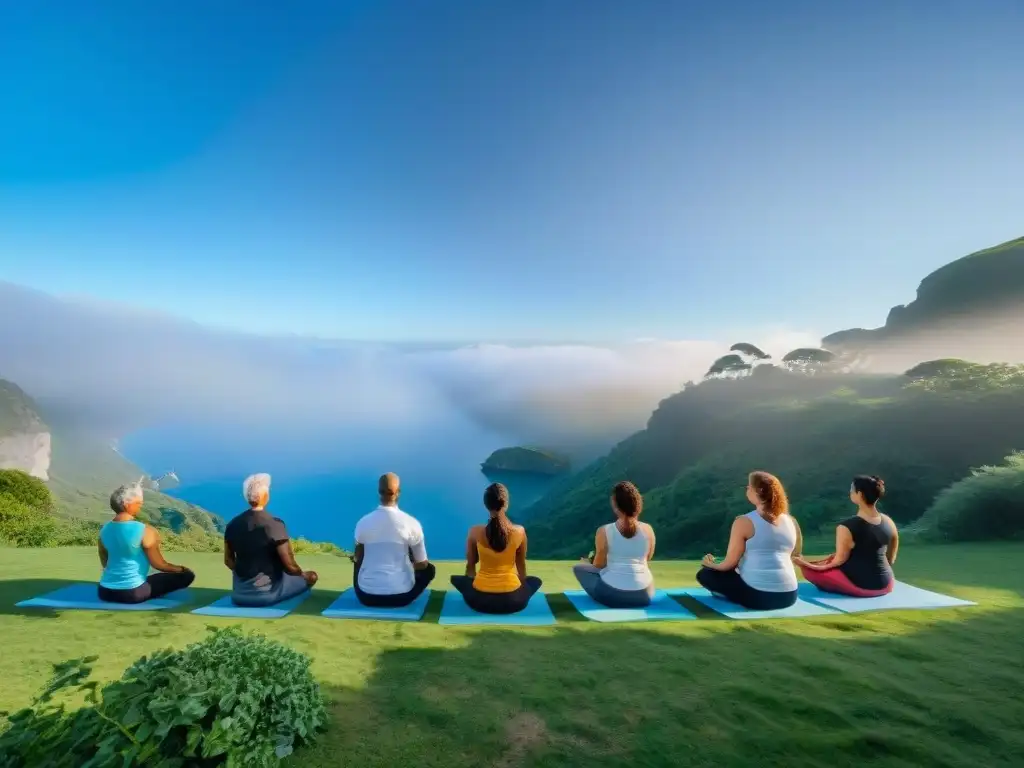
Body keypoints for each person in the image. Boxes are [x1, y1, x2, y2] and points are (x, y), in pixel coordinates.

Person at [696, 471, 802, 611]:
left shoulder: (744, 521)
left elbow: (728, 565)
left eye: (749, 487)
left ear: (759, 491)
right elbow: (791, 556)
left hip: (760, 597)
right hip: (789, 596)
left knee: (705, 574)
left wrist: (709, 564)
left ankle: (726, 594)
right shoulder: (791, 521)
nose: (747, 489)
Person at [224, 473, 318, 607]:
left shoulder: (233, 524)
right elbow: (290, 566)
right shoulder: (274, 524)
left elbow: (228, 561)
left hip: (239, 595)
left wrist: (246, 575)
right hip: (267, 594)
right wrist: (301, 574)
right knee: (312, 576)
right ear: (266, 497)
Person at [795, 476, 899, 597]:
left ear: (859, 494)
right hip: (886, 584)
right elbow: (891, 558)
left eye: (851, 489)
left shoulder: (846, 527)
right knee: (830, 559)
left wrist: (805, 565)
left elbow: (838, 562)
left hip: (862, 586)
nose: (850, 492)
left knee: (810, 572)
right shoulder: (889, 522)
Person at [450, 482, 542, 614]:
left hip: (479, 602)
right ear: (506, 504)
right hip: (514, 602)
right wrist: (522, 589)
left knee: (457, 580)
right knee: (535, 581)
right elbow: (521, 567)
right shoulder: (520, 531)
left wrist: (469, 583)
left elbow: (470, 568)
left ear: (485, 505)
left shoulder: (475, 532)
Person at [97, 480, 195, 604]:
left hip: (105, 592)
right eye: (139, 503)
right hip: (132, 593)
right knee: (187, 576)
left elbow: (105, 561)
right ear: (128, 505)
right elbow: (160, 565)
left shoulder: (104, 530)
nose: (140, 505)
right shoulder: (145, 530)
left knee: (154, 579)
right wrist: (182, 569)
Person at [352, 472, 435, 607]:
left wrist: (356, 558)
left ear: (379, 492)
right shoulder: (411, 523)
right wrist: (409, 565)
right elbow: (423, 564)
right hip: (401, 597)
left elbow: (358, 558)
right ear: (399, 492)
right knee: (430, 569)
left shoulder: (363, 523)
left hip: (366, 596)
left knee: (357, 560)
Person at [572, 481, 656, 608]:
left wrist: (588, 562)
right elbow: (648, 558)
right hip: (645, 594)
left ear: (615, 505)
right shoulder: (648, 529)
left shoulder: (604, 531)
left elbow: (599, 565)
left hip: (613, 595)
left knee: (578, 568)